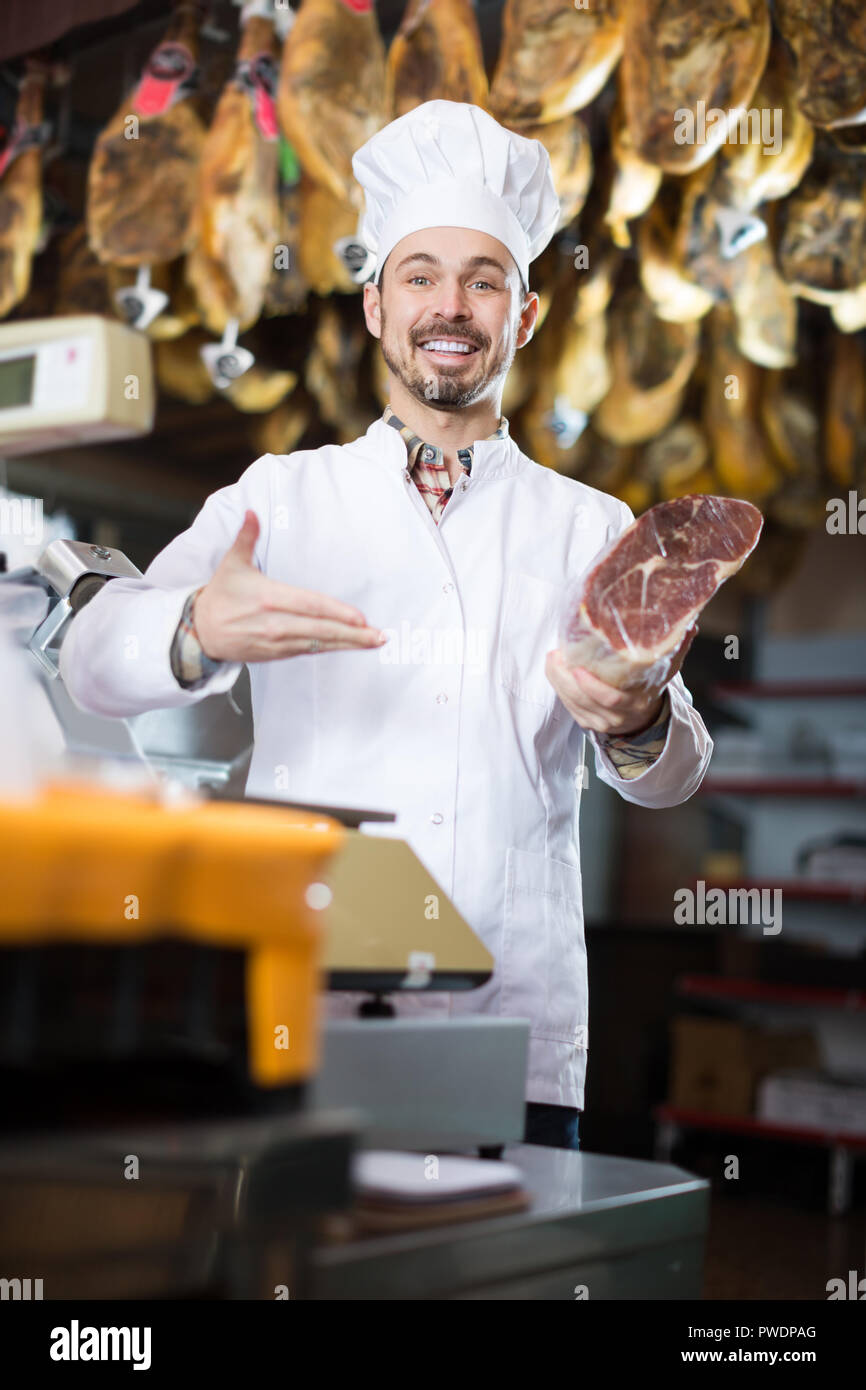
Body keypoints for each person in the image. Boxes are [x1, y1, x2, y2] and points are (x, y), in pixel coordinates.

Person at [60, 101, 712, 1151]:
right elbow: (94, 663)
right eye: (419, 275)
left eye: (482, 279)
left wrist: (636, 719)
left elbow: (673, 770)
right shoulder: (281, 495)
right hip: (305, 1009)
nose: (448, 305)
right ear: (372, 306)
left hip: (515, 1024)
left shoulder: (590, 526)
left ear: (524, 316)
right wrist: (192, 628)